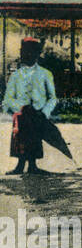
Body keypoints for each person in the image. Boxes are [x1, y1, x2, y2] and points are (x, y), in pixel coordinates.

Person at [3, 38, 57, 175]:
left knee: (34, 138)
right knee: (20, 139)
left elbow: (53, 98)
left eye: (29, 52)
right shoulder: (15, 76)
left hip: (37, 115)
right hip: (21, 116)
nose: (25, 55)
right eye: (23, 52)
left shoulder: (46, 74)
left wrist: (44, 112)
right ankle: (20, 165)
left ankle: (33, 165)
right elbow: (8, 98)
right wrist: (19, 108)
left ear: (37, 54)